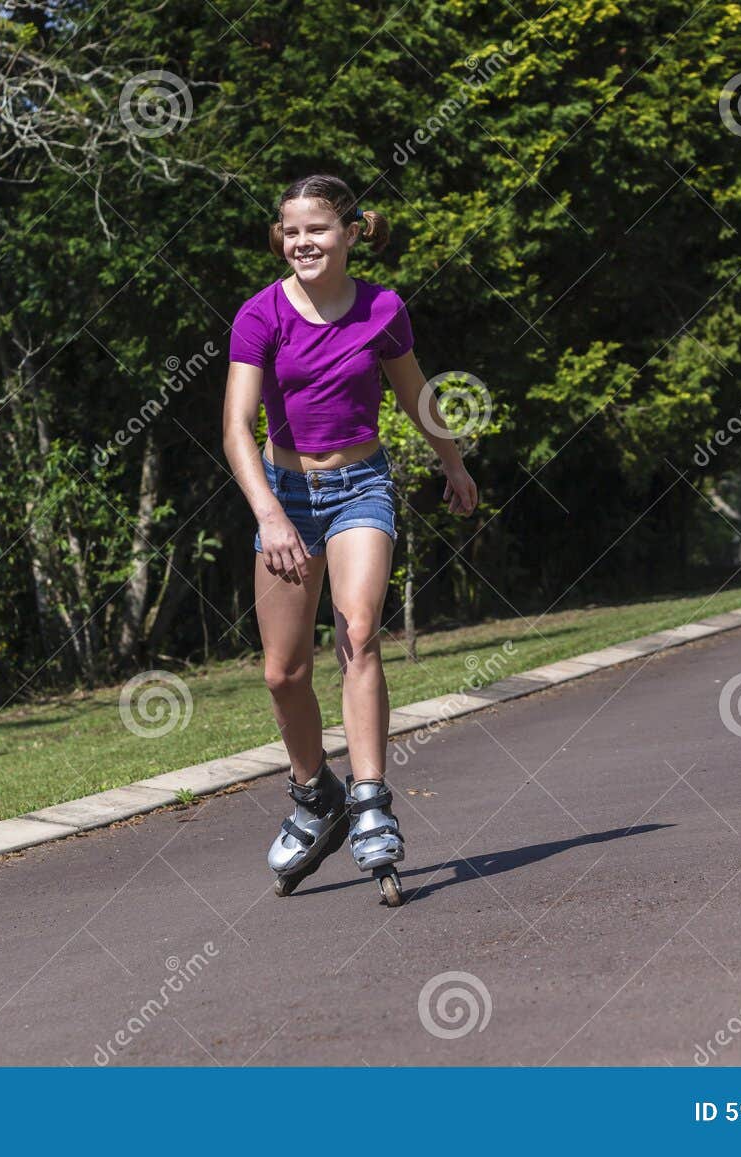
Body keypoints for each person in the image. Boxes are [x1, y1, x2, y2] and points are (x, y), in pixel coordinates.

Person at [221, 173, 480, 905]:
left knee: (360, 631)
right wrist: (270, 513)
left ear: (350, 233)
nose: (303, 241)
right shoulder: (260, 314)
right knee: (283, 672)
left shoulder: (382, 308)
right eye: (292, 230)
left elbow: (415, 393)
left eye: (318, 229)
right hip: (286, 496)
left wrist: (453, 463)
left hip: (361, 484)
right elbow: (237, 425)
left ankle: (369, 801)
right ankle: (314, 796)